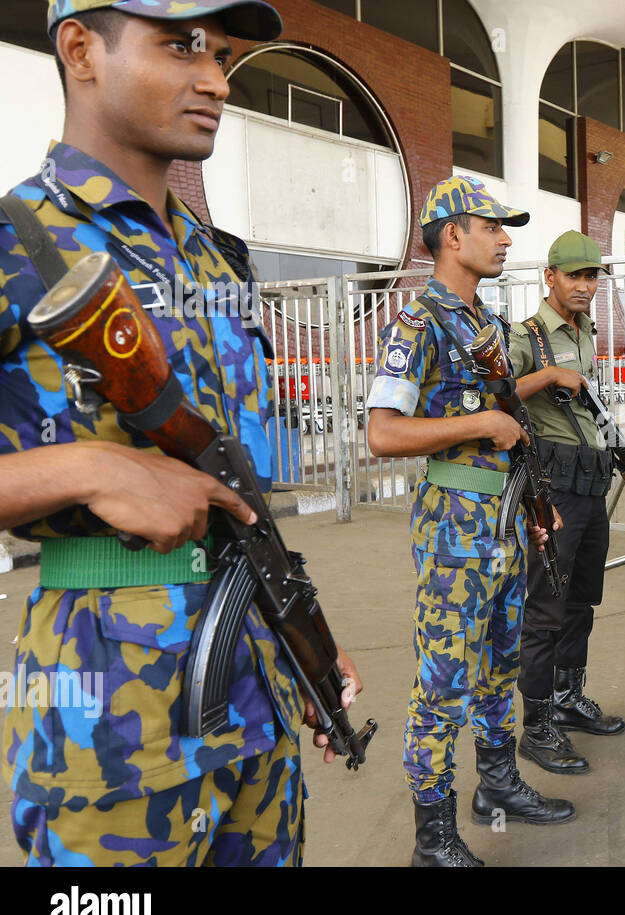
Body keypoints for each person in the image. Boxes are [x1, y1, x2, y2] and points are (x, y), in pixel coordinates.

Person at [0, 0, 364, 866]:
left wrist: (300, 633)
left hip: (256, 691)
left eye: (224, 57)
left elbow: (239, 492)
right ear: (81, 49)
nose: (215, 81)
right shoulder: (18, 242)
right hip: (111, 728)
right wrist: (85, 470)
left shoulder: (215, 257)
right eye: (181, 47)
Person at [366, 176, 572, 868]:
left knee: (497, 663)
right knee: (445, 679)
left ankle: (498, 784)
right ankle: (433, 837)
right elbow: (382, 434)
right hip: (453, 522)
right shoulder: (417, 322)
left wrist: (528, 513)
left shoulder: (482, 323)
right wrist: (479, 421)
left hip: (503, 516)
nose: (504, 238)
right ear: (452, 233)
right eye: (492, 226)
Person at [506, 230, 625, 775]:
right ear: (551, 277)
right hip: (553, 491)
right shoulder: (528, 336)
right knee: (544, 610)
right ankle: (536, 726)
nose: (586, 286)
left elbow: (585, 412)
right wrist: (549, 375)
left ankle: (567, 698)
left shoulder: (586, 331)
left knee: (581, 602)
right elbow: (494, 395)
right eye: (575, 276)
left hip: (590, 484)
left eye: (592, 277)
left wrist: (619, 455)